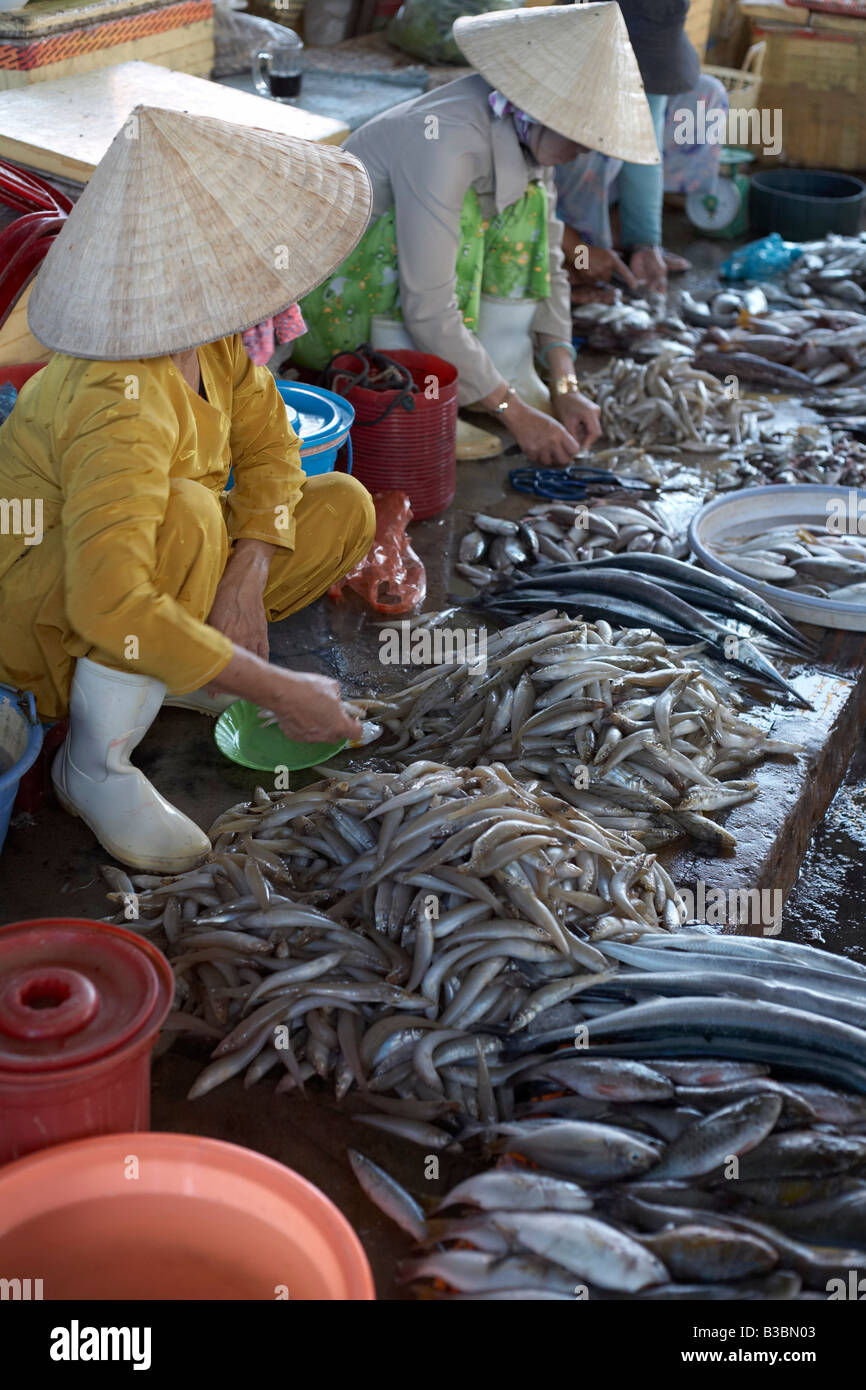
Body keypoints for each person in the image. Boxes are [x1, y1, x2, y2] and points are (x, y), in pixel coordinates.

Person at [0, 105, 376, 874]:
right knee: (192, 512)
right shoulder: (116, 395)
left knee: (342, 505)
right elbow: (107, 600)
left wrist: (250, 571)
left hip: (171, 568)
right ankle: (95, 764)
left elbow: (273, 449)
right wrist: (276, 687)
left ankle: (173, 666)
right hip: (48, 611)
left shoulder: (212, 341)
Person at [293, 2, 660, 464]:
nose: (584, 153)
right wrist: (515, 414)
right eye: (582, 138)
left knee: (527, 205)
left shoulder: (530, 137)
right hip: (329, 306)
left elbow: (549, 265)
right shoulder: (445, 141)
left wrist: (564, 383)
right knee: (465, 217)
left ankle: (489, 377)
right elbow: (428, 307)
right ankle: (419, 385)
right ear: (539, 110)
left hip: (406, 300)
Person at [556, 0, 718, 297]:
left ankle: (624, 238)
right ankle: (581, 252)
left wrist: (645, 241)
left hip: (606, 180)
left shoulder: (649, 58)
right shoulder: (545, 85)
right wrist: (579, 251)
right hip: (549, 201)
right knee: (594, 142)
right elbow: (522, 196)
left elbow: (646, 148)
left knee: (705, 97)